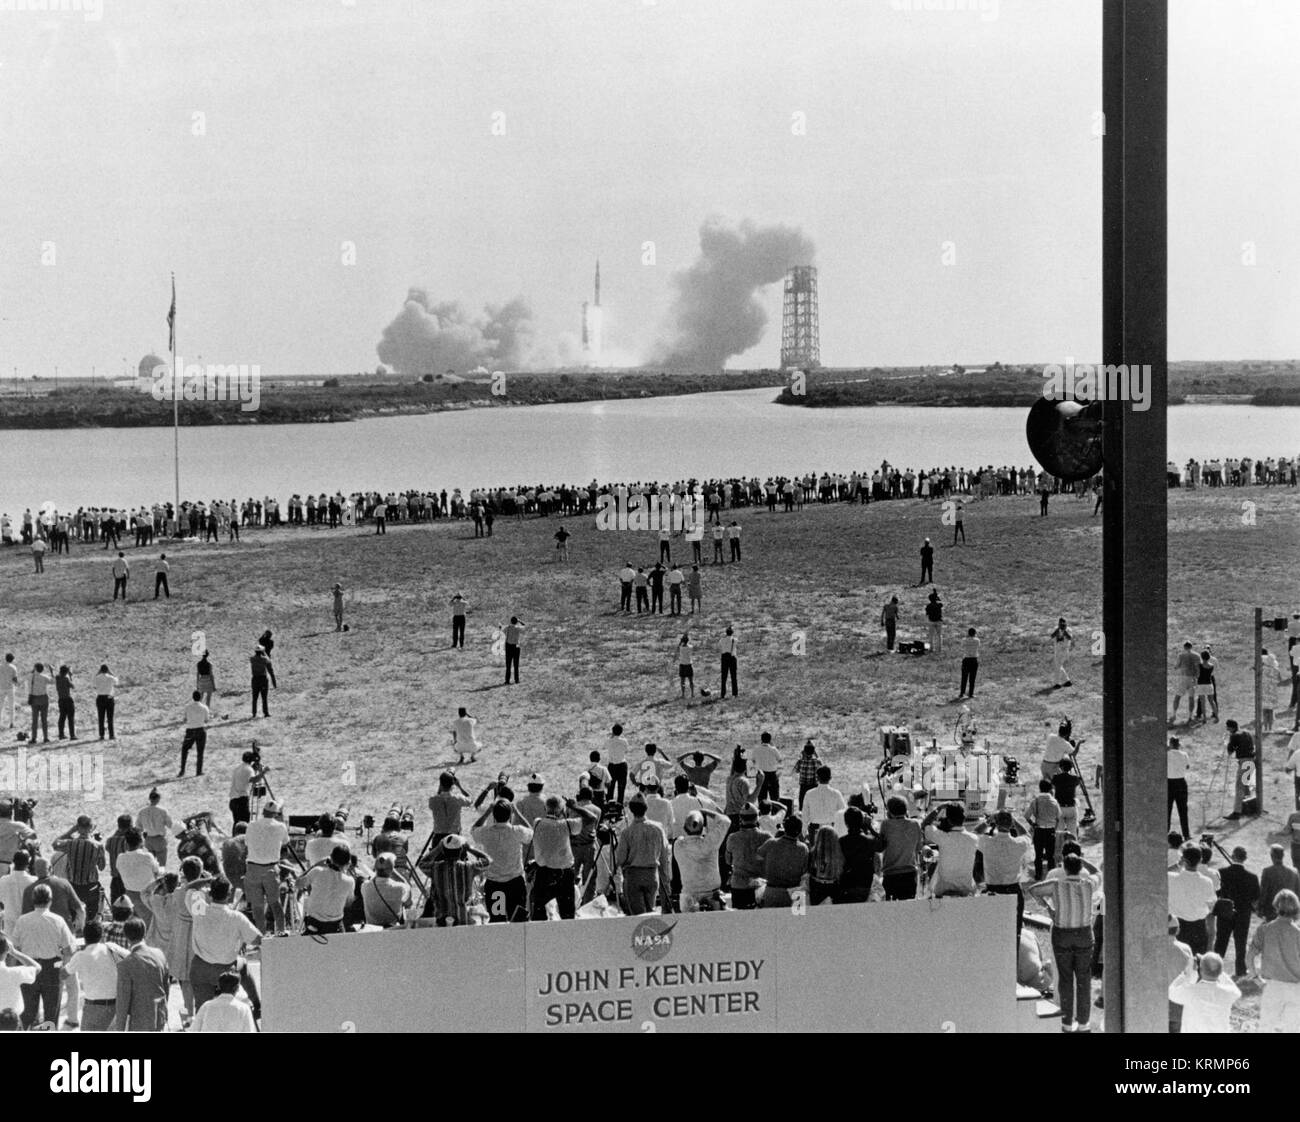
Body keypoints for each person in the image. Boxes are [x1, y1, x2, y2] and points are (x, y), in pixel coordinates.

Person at [1028, 853, 1098, 1033]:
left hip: (1063, 934)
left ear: (1064, 869)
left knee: (1065, 980)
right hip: (1083, 933)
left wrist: (1049, 908)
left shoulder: (1056, 885)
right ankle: (1084, 1024)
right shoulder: (1089, 884)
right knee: (1084, 980)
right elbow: (1098, 871)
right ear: (1080, 868)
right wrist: (1085, 862)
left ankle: (1066, 1022)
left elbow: (1033, 890)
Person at [12, 883, 74, 1028]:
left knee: (27, 1014)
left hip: (28, 968)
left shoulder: (22, 920)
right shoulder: (58, 920)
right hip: (52, 969)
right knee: (51, 1017)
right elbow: (68, 950)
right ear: (50, 900)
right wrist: (64, 968)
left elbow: (15, 949)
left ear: (33, 900)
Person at [530, 797, 595, 921]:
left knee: (539, 914)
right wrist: (575, 807)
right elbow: (592, 818)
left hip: (544, 874)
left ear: (545, 808)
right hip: (564, 874)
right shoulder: (567, 824)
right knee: (567, 914)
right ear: (562, 810)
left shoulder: (537, 822)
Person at [471, 798, 533, 924]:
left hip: (494, 884)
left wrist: (488, 810)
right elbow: (530, 831)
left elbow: (474, 829)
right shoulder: (517, 831)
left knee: (497, 922)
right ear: (510, 815)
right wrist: (517, 811)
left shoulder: (486, 832)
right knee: (518, 921)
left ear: (494, 815)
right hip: (515, 883)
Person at [1247, 888, 1300, 1032]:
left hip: (1272, 986)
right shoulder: (1298, 934)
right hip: (1295, 988)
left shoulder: (1264, 929)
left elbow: (1250, 956)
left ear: (1276, 906)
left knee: (1266, 1028)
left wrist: (1255, 977)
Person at [614, 793, 671, 915]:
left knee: (637, 915)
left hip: (634, 875)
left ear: (631, 810)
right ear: (646, 808)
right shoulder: (658, 828)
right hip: (652, 875)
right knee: (650, 912)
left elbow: (620, 859)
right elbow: (664, 855)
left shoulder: (627, 833)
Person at [112, 917, 170, 1032]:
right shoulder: (160, 954)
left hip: (139, 1021)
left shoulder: (125, 965)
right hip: (160, 1016)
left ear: (126, 937)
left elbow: (123, 1002)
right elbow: (166, 987)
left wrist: (120, 1029)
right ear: (144, 932)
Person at [977, 811, 1029, 936]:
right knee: (1015, 933)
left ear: (996, 823)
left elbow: (975, 833)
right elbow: (1027, 834)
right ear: (1011, 825)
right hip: (1014, 889)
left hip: (993, 890)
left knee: (993, 932)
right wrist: (1015, 821)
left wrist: (988, 821)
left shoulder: (987, 842)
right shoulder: (1019, 844)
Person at [1213, 846, 1260, 979]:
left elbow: (1216, 892)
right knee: (1241, 943)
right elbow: (1256, 896)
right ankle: (1240, 970)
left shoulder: (1221, 872)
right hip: (1243, 914)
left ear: (1233, 856)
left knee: (1221, 941)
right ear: (1245, 858)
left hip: (1225, 912)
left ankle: (1214, 969)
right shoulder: (1252, 877)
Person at [243, 803, 288, 936]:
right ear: (276, 814)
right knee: (275, 902)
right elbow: (285, 842)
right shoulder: (280, 826)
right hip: (270, 868)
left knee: (257, 906)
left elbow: (247, 843)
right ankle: (280, 931)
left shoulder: (251, 825)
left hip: (252, 868)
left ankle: (260, 935)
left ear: (263, 811)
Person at [1168, 951, 1240, 1034]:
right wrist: (1218, 970)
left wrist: (1186, 973)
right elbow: (1236, 991)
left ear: (1201, 971)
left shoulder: (1190, 991)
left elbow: (1171, 991)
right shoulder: (1228, 992)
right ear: (1220, 972)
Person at [674, 808, 730, 912]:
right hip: (712, 895)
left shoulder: (679, 845)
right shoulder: (710, 842)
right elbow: (726, 821)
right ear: (702, 829)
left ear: (685, 828)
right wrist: (705, 811)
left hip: (689, 896)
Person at [52, 814, 106, 921]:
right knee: (92, 915)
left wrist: (70, 831)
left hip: (74, 888)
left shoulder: (70, 844)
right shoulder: (98, 846)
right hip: (91, 888)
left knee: (72, 916)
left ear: (78, 827)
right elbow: (102, 867)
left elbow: (54, 844)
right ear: (91, 828)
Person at [1168, 842, 1218, 954]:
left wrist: (1178, 864)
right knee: (1198, 964)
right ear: (1200, 860)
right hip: (1199, 928)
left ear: (1184, 860)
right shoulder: (1207, 882)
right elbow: (1211, 906)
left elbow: (1162, 873)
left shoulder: (1172, 878)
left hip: (1179, 927)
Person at [923, 803, 979, 898]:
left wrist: (939, 808)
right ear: (963, 819)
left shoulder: (942, 837)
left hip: (943, 891)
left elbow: (925, 824)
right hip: (967, 891)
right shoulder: (974, 839)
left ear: (948, 820)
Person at [297, 848, 355, 936]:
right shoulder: (349, 881)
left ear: (331, 858)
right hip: (336, 925)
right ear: (348, 863)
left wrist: (314, 866)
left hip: (314, 924)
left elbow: (298, 884)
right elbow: (348, 903)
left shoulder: (317, 871)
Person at [724, 805, 772, 910]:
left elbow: (728, 861)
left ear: (740, 818)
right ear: (757, 817)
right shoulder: (767, 837)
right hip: (760, 885)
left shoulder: (732, 838)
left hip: (739, 885)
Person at [756, 815, 809, 909]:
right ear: (800, 831)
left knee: (770, 922)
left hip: (772, 891)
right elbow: (805, 872)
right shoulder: (803, 848)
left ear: (785, 828)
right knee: (798, 922)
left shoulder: (771, 843)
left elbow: (757, 858)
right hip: (795, 892)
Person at [191, 970, 257, 1033]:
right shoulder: (244, 1008)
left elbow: (194, 1029)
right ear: (237, 988)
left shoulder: (206, 1006)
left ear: (219, 986)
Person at [360, 853, 413, 929]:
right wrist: (394, 872)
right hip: (393, 929)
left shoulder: (365, 886)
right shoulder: (400, 888)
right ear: (392, 869)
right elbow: (408, 893)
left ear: (375, 868)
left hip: (372, 930)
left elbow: (374, 879)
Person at [0, 932, 40, 1028]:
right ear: (6, 951)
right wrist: (14, 952)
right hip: (11, 1022)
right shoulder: (13, 973)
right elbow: (37, 967)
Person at [800, 766, 846, 840]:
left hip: (815, 829)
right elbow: (843, 813)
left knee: (816, 851)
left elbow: (805, 814)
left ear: (817, 778)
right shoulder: (836, 794)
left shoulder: (809, 794)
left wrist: (804, 832)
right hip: (832, 829)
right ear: (830, 778)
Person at [1224, 719, 1256, 819]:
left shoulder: (1234, 735)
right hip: (1251, 762)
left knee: (1239, 786)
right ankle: (1247, 807)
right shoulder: (1247, 732)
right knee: (1245, 785)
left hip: (1244, 762)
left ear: (1231, 727)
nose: (1227, 729)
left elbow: (1230, 751)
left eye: (1228, 727)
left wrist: (1227, 743)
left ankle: (1237, 812)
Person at [1260, 845, 1300, 921]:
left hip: (1272, 911)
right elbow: (1298, 893)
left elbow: (1263, 892)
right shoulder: (1294, 872)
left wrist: (1260, 909)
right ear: (1283, 856)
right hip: (1290, 912)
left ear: (1272, 856)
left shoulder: (1267, 871)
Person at [179, 690, 211, 778]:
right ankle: (198, 771)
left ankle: (182, 770)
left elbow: (184, 719)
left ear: (193, 697)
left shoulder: (187, 707)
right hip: (201, 730)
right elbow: (206, 720)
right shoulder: (204, 708)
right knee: (200, 752)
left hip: (190, 731)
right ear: (200, 697)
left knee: (185, 750)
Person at [1051, 758, 1083, 841]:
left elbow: (1052, 783)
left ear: (1061, 767)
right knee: (1072, 832)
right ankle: (1074, 847)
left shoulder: (1056, 778)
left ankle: (1059, 849)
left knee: (1059, 832)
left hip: (1059, 807)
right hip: (1071, 807)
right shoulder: (1074, 778)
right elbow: (1079, 780)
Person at [1171, 641, 1200, 724]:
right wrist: (1197, 677)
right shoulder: (1197, 655)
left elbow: (1176, 666)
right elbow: (1198, 668)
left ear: (1184, 647)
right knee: (1191, 698)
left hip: (1183, 678)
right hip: (1192, 678)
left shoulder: (1181, 655)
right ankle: (1190, 716)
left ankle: (1174, 715)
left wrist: (1176, 667)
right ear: (1191, 647)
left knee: (1177, 696)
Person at [1167, 735, 1191, 838]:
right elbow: (1187, 766)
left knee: (1167, 809)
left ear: (1171, 744)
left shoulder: (1166, 754)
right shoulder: (1184, 754)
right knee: (1183, 810)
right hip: (1181, 782)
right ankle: (1186, 834)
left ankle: (1165, 832)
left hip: (1169, 783)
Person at [229, 750, 259, 828]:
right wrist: (263, 772)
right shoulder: (249, 769)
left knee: (237, 824)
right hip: (241, 800)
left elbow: (243, 777)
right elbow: (254, 780)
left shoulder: (238, 767)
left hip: (233, 800)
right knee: (244, 825)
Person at [752, 732, 782, 802]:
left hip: (761, 774)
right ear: (770, 740)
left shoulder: (757, 749)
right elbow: (779, 759)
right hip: (772, 774)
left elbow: (753, 760)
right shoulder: (773, 749)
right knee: (774, 796)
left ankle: (762, 811)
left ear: (761, 739)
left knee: (761, 796)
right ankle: (775, 811)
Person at [92, 663, 118, 740]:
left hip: (100, 698)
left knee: (101, 717)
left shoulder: (97, 678)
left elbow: (94, 685)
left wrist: (97, 673)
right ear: (107, 670)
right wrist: (111, 672)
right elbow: (117, 681)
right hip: (109, 697)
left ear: (100, 670)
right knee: (110, 718)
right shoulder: (110, 677)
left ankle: (102, 735)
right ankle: (111, 735)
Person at [27, 661, 52, 744]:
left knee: (34, 720)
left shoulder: (31, 676)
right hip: (44, 698)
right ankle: (45, 737)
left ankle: (34, 738)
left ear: (35, 668)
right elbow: (53, 681)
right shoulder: (44, 677)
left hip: (34, 699)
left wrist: (33, 670)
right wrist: (52, 671)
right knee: (44, 719)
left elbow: (30, 674)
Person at [250, 644, 276, 718]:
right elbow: (269, 661)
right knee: (264, 697)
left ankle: (254, 713)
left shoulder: (252, 659)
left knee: (254, 697)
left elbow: (254, 657)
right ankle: (266, 712)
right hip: (263, 679)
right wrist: (264, 652)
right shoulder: (264, 659)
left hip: (255, 679)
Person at [606, 724, 630, 806]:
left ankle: (609, 805)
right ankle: (619, 806)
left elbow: (607, 744)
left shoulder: (609, 741)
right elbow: (626, 750)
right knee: (621, 787)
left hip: (612, 766)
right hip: (622, 765)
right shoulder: (624, 741)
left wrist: (612, 736)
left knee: (610, 787)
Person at [794, 739, 822, 808]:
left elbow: (796, 771)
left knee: (802, 804)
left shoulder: (800, 761)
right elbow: (821, 768)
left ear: (804, 752)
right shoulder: (816, 761)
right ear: (813, 752)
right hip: (813, 785)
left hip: (803, 786)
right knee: (813, 805)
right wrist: (816, 755)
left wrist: (801, 756)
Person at [1050, 618, 1073, 689]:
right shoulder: (1056, 628)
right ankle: (1067, 681)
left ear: (1066, 623)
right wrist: (1058, 630)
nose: (1062, 625)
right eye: (1060, 623)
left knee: (1058, 666)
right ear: (1058, 623)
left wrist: (1064, 631)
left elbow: (1070, 638)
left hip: (1064, 650)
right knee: (1058, 666)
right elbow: (1052, 636)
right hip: (1057, 650)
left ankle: (1057, 684)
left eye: (1064, 623)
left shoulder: (1069, 630)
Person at [54, 665, 76, 740]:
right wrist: (70, 676)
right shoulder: (66, 678)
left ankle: (61, 734)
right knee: (71, 718)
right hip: (68, 699)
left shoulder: (57, 678)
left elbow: (56, 675)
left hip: (61, 700)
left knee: (62, 717)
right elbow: (73, 686)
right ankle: (72, 735)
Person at [959, 628, 980, 698]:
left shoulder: (964, 640)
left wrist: (966, 636)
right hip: (974, 660)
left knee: (964, 678)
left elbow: (962, 646)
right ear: (975, 633)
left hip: (966, 660)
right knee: (972, 678)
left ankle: (962, 693)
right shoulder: (977, 640)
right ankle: (971, 693)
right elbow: (978, 645)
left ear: (968, 633)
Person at [718, 625, 738, 698]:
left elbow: (719, 645)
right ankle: (735, 693)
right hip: (732, 657)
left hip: (724, 657)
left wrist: (723, 636)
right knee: (733, 676)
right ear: (732, 633)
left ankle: (722, 694)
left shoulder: (722, 639)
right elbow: (736, 639)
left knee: (724, 677)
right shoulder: (734, 640)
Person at [503, 616, 524, 685]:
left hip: (508, 646)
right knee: (516, 664)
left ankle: (507, 680)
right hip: (516, 647)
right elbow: (524, 626)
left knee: (508, 665)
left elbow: (502, 630)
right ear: (516, 622)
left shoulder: (508, 627)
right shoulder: (518, 628)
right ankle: (516, 679)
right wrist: (520, 621)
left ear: (511, 621)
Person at [1, 653, 18, 730]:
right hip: (10, 688)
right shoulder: (13, 667)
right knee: (11, 706)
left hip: (1, 688)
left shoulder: (0, 666)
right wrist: (17, 684)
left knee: (0, 706)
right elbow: (14, 679)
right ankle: (11, 723)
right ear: (12, 660)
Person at [924, 590, 943, 655]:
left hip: (931, 621)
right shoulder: (939, 605)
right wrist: (936, 596)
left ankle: (931, 648)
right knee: (939, 635)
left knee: (931, 636)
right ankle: (939, 649)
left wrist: (935, 595)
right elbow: (940, 602)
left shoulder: (928, 606)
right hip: (938, 621)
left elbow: (927, 613)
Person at [676, 633, 694, 699]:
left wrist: (681, 640)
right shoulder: (690, 647)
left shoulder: (681, 648)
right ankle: (692, 694)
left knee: (682, 681)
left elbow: (678, 646)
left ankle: (683, 694)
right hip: (689, 665)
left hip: (682, 665)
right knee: (691, 681)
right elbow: (690, 645)